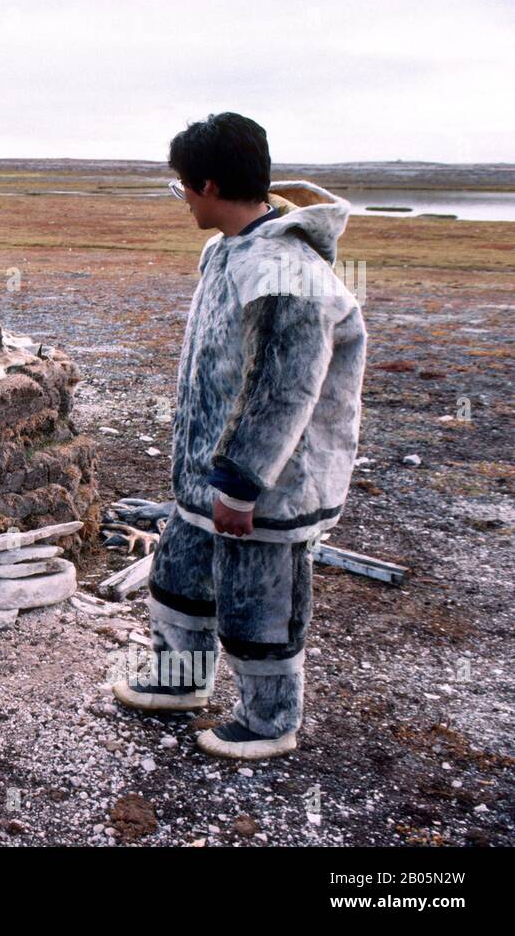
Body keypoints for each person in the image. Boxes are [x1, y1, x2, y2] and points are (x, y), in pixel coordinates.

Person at [112, 112, 367, 760]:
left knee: (261, 602)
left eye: (183, 187)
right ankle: (179, 679)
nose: (183, 199)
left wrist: (241, 482)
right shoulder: (227, 251)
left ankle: (268, 720)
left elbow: (283, 390)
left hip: (265, 488)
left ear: (211, 184)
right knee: (180, 578)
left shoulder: (286, 272)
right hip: (205, 480)